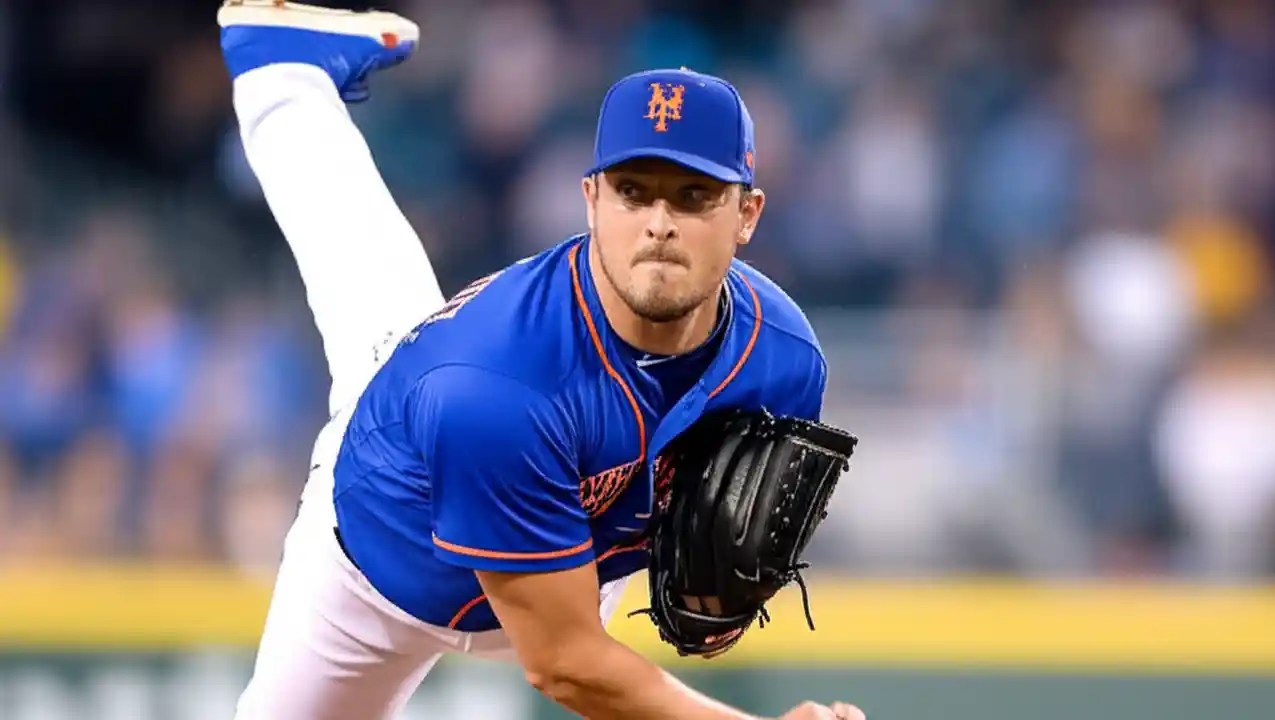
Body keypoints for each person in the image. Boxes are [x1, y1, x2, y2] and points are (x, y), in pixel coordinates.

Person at [217, 2, 864, 719]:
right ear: (590, 200)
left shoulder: (783, 360)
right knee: (402, 333)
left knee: (383, 298)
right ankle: (279, 79)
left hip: (564, 551)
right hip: (378, 573)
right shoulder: (493, 387)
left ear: (746, 214)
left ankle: (278, 64)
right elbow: (564, 666)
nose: (658, 221)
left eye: (693, 195)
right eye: (632, 190)